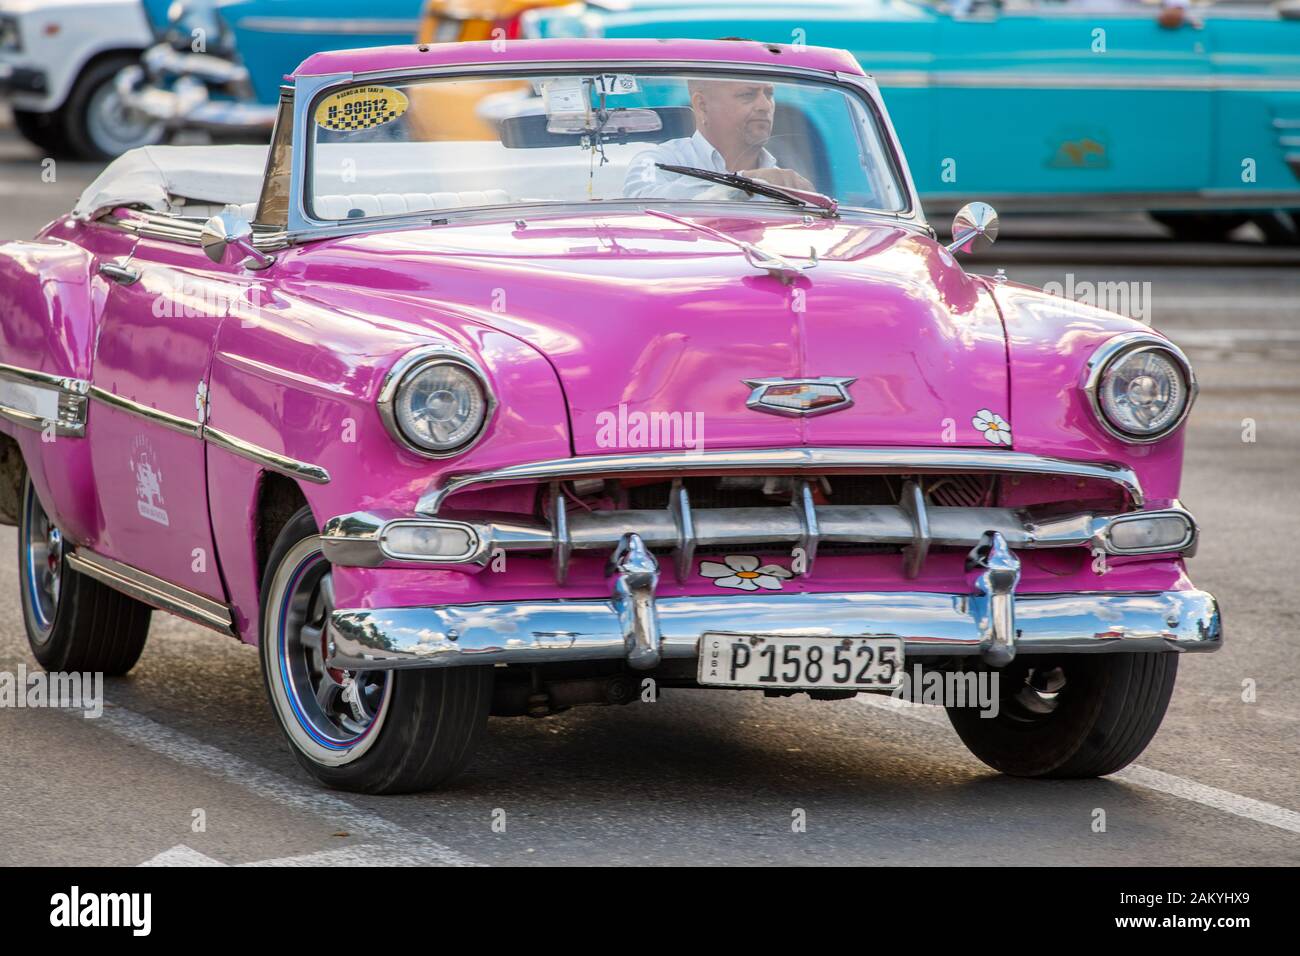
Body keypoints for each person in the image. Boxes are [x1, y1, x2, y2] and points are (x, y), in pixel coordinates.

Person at [623, 79, 813, 199]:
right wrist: (745, 182)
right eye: (748, 95)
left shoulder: (785, 184)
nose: (765, 105)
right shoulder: (658, 161)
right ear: (702, 105)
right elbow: (640, 206)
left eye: (769, 94)